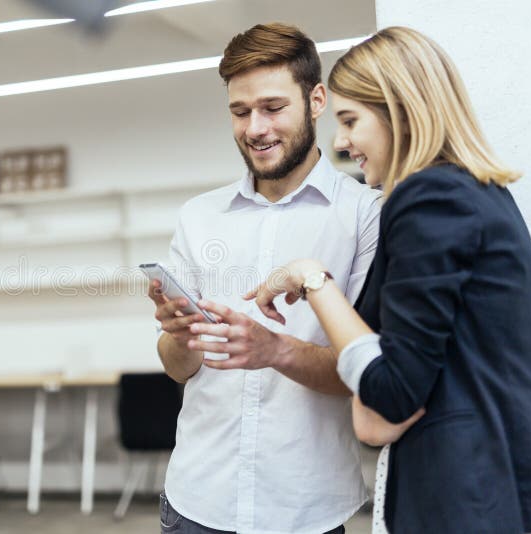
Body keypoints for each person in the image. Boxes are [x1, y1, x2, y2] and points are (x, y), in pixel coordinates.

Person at [246, 26, 531, 534]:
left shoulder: (429, 199)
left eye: (350, 120)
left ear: (399, 111)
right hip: (497, 494)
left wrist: (312, 278)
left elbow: (389, 395)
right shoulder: (480, 193)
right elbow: (374, 395)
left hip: (466, 500)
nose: (341, 143)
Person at [148, 23, 381, 533]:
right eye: (239, 111)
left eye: (273, 108)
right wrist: (180, 334)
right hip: (196, 498)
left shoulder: (365, 214)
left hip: (304, 509)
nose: (255, 127)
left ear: (316, 100)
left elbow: (365, 372)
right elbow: (175, 367)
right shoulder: (199, 215)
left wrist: (273, 348)